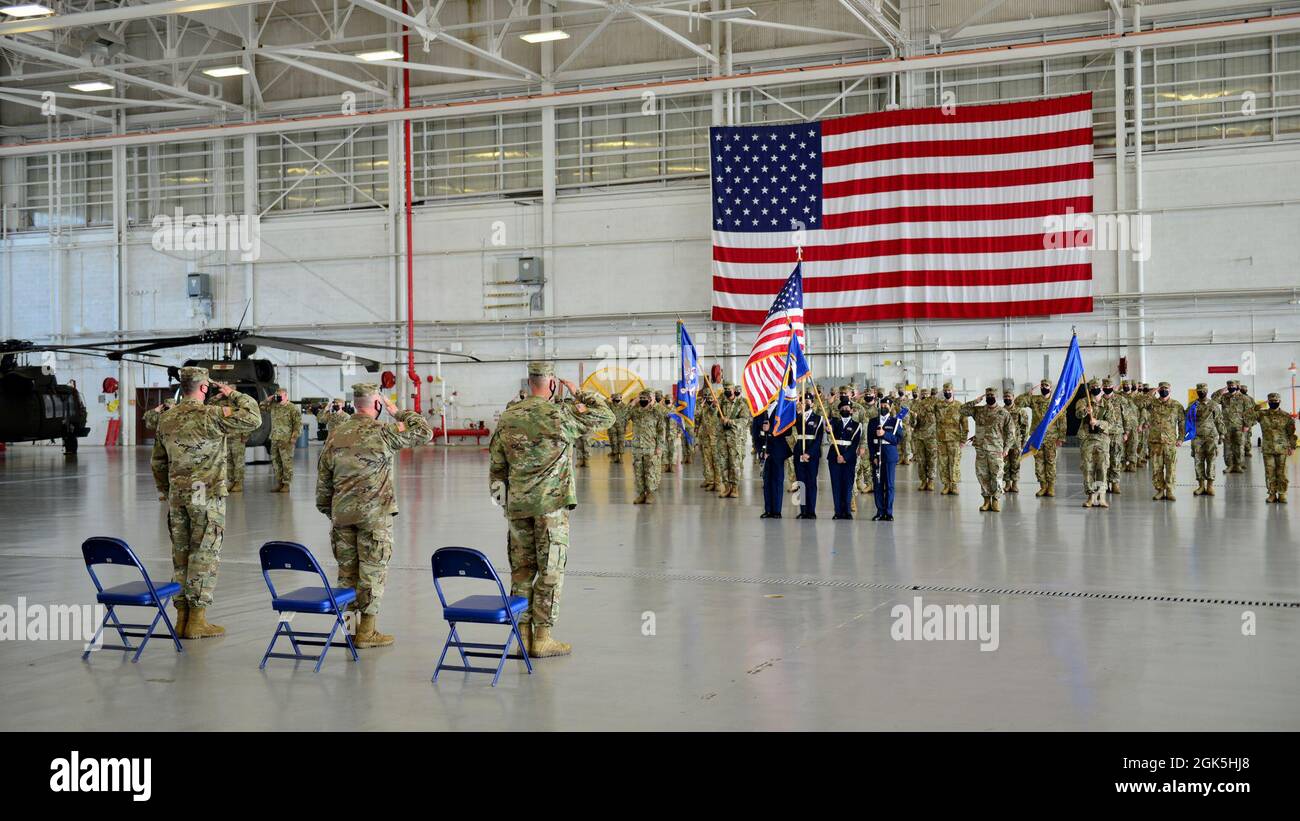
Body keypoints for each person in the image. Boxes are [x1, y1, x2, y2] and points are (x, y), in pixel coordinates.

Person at [488, 363, 613, 657]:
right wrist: (579, 393)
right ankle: (542, 638)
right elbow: (607, 416)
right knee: (550, 571)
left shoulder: (508, 417)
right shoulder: (560, 415)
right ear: (552, 385)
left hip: (517, 507)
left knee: (520, 573)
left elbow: (496, 467)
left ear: (529, 383)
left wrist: (507, 504)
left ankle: (521, 639)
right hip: (550, 508)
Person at [316, 383, 432, 647]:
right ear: (377, 405)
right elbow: (424, 432)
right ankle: (366, 632)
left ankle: (348, 629)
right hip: (374, 515)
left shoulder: (336, 433)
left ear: (355, 404)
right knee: (372, 571)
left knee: (346, 573)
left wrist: (330, 510)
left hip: (342, 515)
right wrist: (398, 412)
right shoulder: (384, 431)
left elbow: (323, 479)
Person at [150, 367, 261, 639]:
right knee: (204, 552)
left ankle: (182, 618)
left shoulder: (166, 418)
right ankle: (197, 620)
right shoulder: (212, 415)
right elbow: (254, 419)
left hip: (178, 494)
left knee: (181, 554)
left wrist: (168, 491)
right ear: (203, 388)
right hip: (204, 492)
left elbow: (158, 462)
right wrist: (233, 394)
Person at [961, 387, 1014, 513]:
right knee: (982, 476)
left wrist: (1006, 448)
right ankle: (986, 501)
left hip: (996, 450)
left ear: (997, 396)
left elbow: (1011, 433)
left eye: (992, 395)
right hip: (981, 449)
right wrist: (976, 400)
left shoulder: (1003, 413)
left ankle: (995, 500)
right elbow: (962, 409)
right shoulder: (979, 411)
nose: (990, 397)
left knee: (996, 476)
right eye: (988, 395)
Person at [1076, 378, 1121, 508]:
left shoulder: (1107, 405)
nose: (1095, 388)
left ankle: (1101, 497)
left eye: (1098, 386)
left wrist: (1098, 422)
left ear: (1101, 388)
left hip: (1102, 439)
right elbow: (1078, 414)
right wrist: (1086, 411)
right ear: (1090, 389)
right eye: (1093, 387)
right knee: (1088, 468)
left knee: (1102, 467)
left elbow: (1112, 424)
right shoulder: (1083, 402)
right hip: (1087, 439)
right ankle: (1090, 497)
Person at [1015, 379, 1065, 497]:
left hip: (1051, 437)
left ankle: (1051, 486)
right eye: (1042, 385)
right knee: (1039, 463)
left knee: (1051, 462)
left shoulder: (1056, 401)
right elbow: (1017, 402)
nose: (1044, 387)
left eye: (1046, 385)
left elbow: (1062, 420)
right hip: (1037, 437)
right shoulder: (1035, 399)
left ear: (1051, 388)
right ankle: (1043, 486)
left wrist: (1061, 436)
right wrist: (1028, 393)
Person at [1250, 392, 1295, 502]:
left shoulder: (1286, 416)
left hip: (1282, 448)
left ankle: (1282, 493)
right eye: (1271, 402)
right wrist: (1258, 406)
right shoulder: (1262, 414)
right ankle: (1272, 494)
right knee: (1270, 472)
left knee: (1282, 472)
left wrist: (1292, 446)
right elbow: (1247, 417)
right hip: (1268, 448)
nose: (1273, 403)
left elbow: (1291, 432)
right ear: (1268, 402)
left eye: (1275, 401)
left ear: (1280, 402)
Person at [1146, 381, 1186, 501]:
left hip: (1170, 442)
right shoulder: (1152, 403)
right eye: (1161, 388)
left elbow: (1182, 423)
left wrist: (1181, 438)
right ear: (1158, 390)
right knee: (1156, 468)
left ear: (1170, 390)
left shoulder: (1176, 405)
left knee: (1171, 467)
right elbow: (1138, 402)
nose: (1164, 390)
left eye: (1166, 388)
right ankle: (1159, 490)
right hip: (1155, 441)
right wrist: (1152, 392)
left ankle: (1169, 490)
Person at [626, 389, 665, 504]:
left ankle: (650, 494)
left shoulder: (656, 412)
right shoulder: (635, 412)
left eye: (645, 399)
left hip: (651, 447)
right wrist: (633, 403)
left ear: (650, 399)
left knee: (650, 471)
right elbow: (623, 417)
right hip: (637, 447)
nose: (643, 401)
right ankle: (641, 494)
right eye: (641, 398)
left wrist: (659, 447)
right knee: (638, 472)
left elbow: (661, 431)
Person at [260, 388, 302, 492]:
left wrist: (294, 437)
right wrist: (268, 399)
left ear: (286, 395)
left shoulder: (292, 408)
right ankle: (279, 483)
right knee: (276, 462)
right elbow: (260, 407)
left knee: (286, 462)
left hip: (286, 439)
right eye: (277, 395)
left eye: (280, 395)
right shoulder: (274, 406)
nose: (278, 397)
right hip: (274, 438)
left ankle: (286, 484)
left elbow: (297, 424)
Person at [868, 397, 903, 520]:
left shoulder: (895, 422)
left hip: (889, 457)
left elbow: (897, 439)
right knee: (877, 485)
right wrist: (873, 457)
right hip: (877, 457)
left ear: (891, 407)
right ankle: (879, 511)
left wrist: (885, 434)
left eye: (886, 406)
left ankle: (888, 512)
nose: (883, 408)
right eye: (881, 406)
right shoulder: (873, 422)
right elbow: (870, 442)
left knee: (889, 485)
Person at [790, 393, 824, 519]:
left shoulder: (818, 419)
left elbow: (818, 439)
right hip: (799, 452)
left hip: (812, 454)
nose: (806, 403)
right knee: (801, 482)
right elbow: (789, 428)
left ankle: (811, 510)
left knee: (811, 482)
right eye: (804, 401)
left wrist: (809, 453)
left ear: (813, 403)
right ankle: (803, 510)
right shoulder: (796, 417)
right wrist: (798, 413)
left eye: (809, 401)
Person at [210, 390, 251, 492]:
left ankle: (239, 483)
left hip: (238, 436)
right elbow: (208, 406)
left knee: (238, 461)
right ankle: (232, 481)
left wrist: (246, 434)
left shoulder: (240, 403)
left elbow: (248, 418)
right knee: (228, 461)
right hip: (226, 436)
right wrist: (217, 397)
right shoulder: (221, 403)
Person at [1187, 383, 1224, 496]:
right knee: (1198, 461)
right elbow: (1187, 420)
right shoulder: (1192, 405)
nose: (1201, 392)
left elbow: (1219, 420)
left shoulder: (1213, 405)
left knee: (1211, 461)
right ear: (1197, 391)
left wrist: (1222, 434)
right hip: (1197, 437)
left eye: (1203, 390)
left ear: (1207, 391)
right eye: (1199, 390)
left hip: (1211, 437)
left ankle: (1210, 486)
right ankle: (1201, 486)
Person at [828, 399, 862, 519]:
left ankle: (847, 511)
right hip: (834, 457)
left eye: (847, 408)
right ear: (839, 410)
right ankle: (837, 512)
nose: (845, 410)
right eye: (843, 408)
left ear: (851, 410)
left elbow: (855, 444)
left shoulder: (857, 426)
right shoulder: (834, 422)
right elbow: (829, 428)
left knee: (848, 485)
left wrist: (845, 457)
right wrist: (828, 429)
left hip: (849, 458)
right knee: (836, 485)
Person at [758, 407, 793, 519]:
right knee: (766, 482)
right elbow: (755, 431)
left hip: (778, 451)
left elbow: (788, 430)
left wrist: (771, 428)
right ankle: (768, 510)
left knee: (777, 481)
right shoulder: (760, 408)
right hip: (765, 451)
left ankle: (777, 510)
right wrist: (760, 450)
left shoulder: (782, 408)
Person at [716, 381, 747, 498]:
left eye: (729, 389)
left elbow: (745, 420)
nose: (727, 391)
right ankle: (726, 487)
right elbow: (715, 413)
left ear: (734, 389)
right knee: (723, 463)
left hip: (735, 439)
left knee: (734, 464)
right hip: (722, 438)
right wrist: (714, 406)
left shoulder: (741, 404)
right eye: (725, 389)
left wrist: (731, 421)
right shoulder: (721, 402)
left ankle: (735, 488)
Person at [934, 382, 966, 495]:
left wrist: (963, 440)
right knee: (943, 463)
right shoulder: (938, 405)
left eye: (949, 391)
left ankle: (954, 485)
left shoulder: (959, 406)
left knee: (955, 463)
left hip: (955, 440)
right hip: (941, 440)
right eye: (945, 391)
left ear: (953, 391)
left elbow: (964, 424)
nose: (947, 392)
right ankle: (946, 485)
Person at [1001, 390, 1027, 494]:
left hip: (1016, 442)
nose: (1007, 398)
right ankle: (1007, 484)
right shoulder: (1001, 411)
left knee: (1015, 463)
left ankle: (1015, 484)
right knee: (1005, 464)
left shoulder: (1020, 411)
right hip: (1003, 442)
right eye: (1005, 396)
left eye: (1009, 396)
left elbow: (1025, 428)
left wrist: (1024, 442)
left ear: (1013, 397)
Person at [696, 388, 720, 490]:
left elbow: (717, 413)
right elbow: (696, 415)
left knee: (717, 461)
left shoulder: (718, 405)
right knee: (707, 460)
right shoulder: (703, 406)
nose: (707, 398)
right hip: (704, 437)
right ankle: (709, 481)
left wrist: (714, 405)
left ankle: (718, 482)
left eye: (710, 396)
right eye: (706, 396)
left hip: (716, 438)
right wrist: (700, 406)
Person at [607, 391, 629, 463]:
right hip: (612, 426)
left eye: (619, 398)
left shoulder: (624, 406)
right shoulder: (610, 405)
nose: (617, 400)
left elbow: (627, 417)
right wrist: (609, 398)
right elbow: (603, 403)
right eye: (615, 398)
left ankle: (621, 457)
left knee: (621, 442)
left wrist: (626, 426)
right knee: (613, 442)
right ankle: (615, 457)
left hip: (621, 427)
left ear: (621, 398)